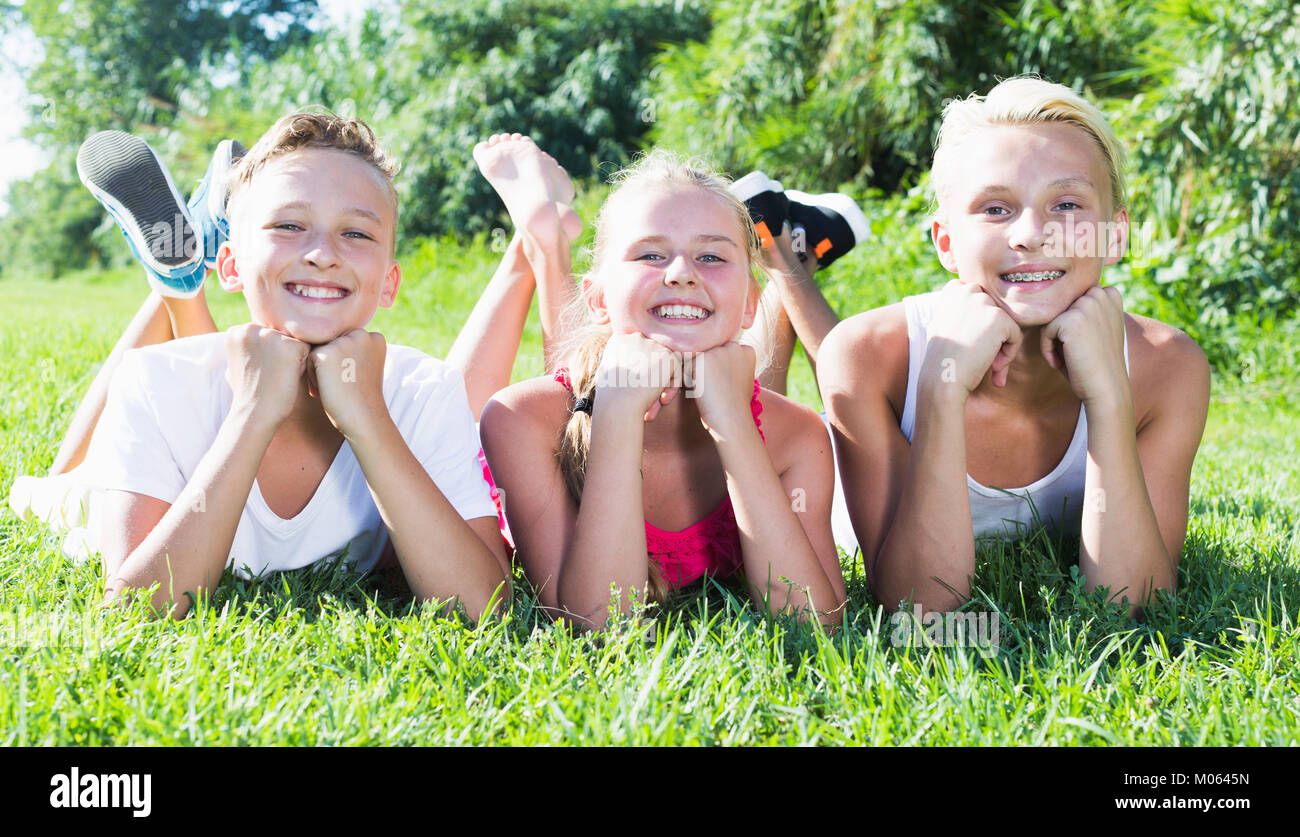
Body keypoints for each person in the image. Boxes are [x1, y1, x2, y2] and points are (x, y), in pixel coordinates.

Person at [9, 113, 510, 620]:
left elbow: (484, 608)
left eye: (356, 233)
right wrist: (252, 413)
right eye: (289, 226)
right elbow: (139, 610)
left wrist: (367, 419)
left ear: (389, 282)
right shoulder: (155, 381)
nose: (322, 253)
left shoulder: (425, 391)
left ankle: (181, 279)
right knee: (54, 489)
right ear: (234, 266)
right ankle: (175, 283)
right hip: (105, 492)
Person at [817, 77, 1211, 616]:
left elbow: (1130, 605)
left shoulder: (1170, 366)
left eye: (1067, 203)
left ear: (1116, 235)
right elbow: (922, 608)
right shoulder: (865, 354)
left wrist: (1108, 399)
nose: (1031, 234)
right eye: (995, 209)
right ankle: (788, 257)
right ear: (947, 243)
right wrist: (941, 388)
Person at [475, 147, 847, 630]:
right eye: (650, 254)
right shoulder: (521, 421)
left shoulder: (797, 436)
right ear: (600, 299)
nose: (681, 272)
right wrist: (618, 413)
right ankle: (539, 239)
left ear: (750, 306)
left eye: (711, 255)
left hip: (694, 384)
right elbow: (597, 623)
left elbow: (813, 624)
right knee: (473, 395)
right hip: (552, 405)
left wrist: (734, 424)